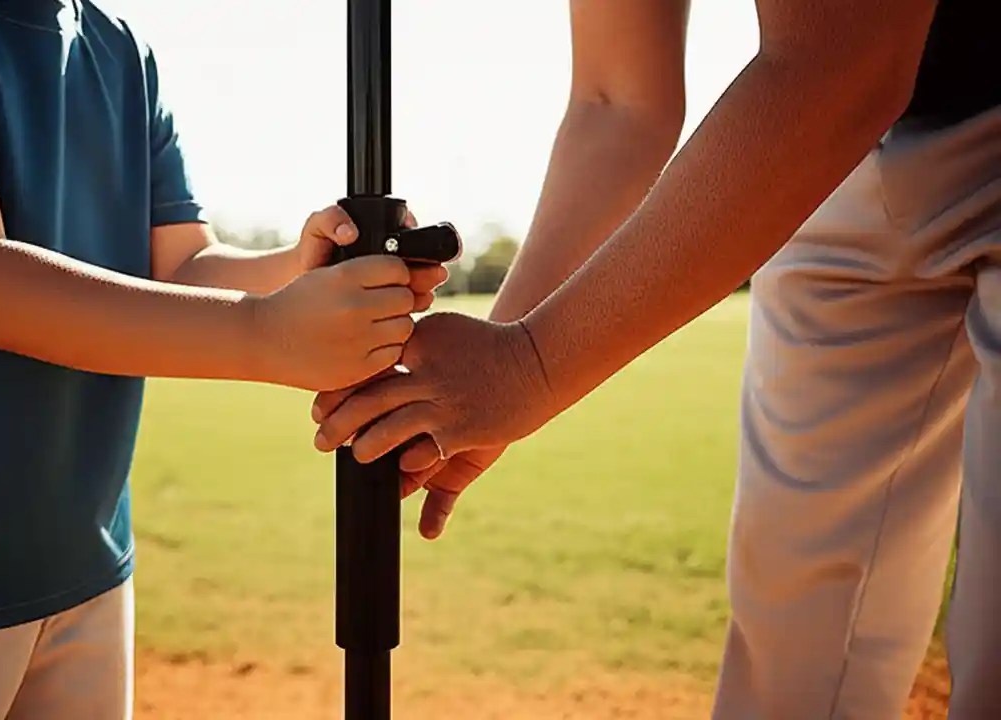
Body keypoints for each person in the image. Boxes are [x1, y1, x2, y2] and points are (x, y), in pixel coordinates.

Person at [0, 1, 444, 718]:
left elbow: (181, 266)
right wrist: (269, 333)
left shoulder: (117, 49)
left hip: (83, 553)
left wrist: (307, 273)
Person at [313, 0, 1001, 716]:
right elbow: (618, 102)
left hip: (845, 88)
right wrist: (498, 369)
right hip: (854, 151)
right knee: (792, 636)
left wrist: (532, 366)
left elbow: (847, 59)